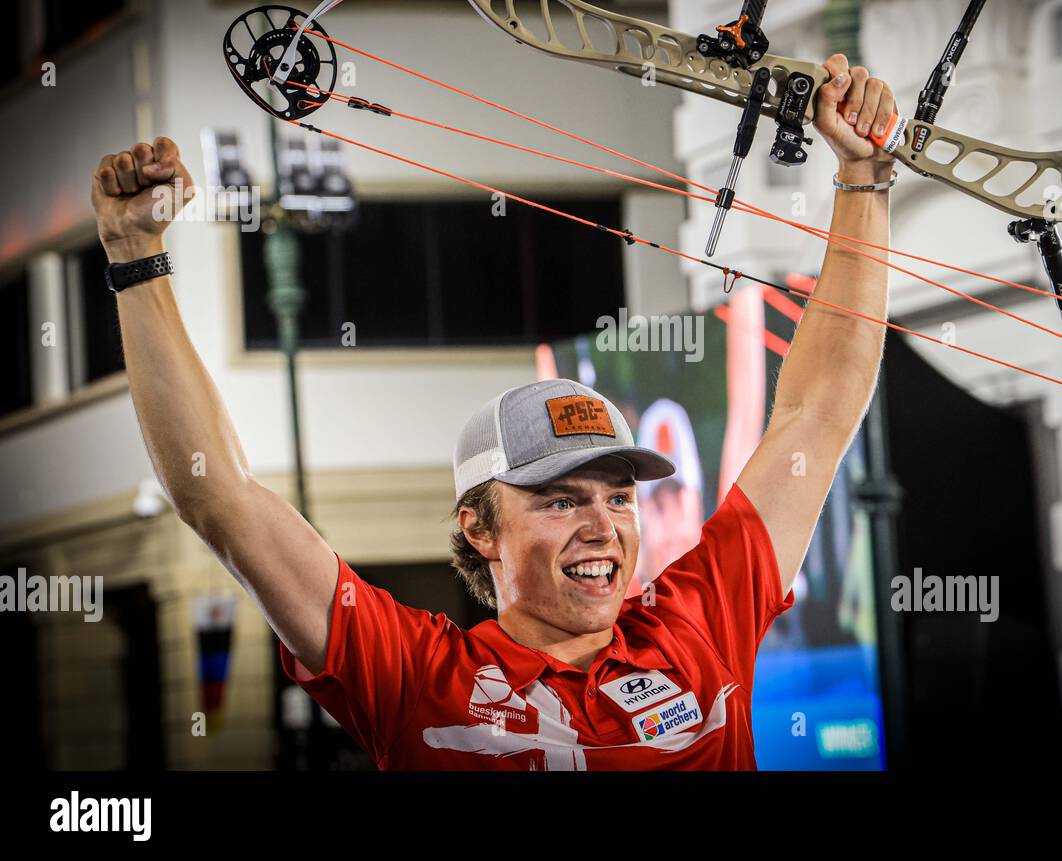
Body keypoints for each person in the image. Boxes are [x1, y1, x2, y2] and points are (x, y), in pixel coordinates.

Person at [92, 54, 897, 769]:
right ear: (479, 528)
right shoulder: (410, 674)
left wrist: (862, 178)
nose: (603, 524)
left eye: (618, 495)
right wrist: (138, 259)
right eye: (559, 498)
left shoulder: (698, 618)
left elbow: (817, 414)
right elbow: (218, 497)